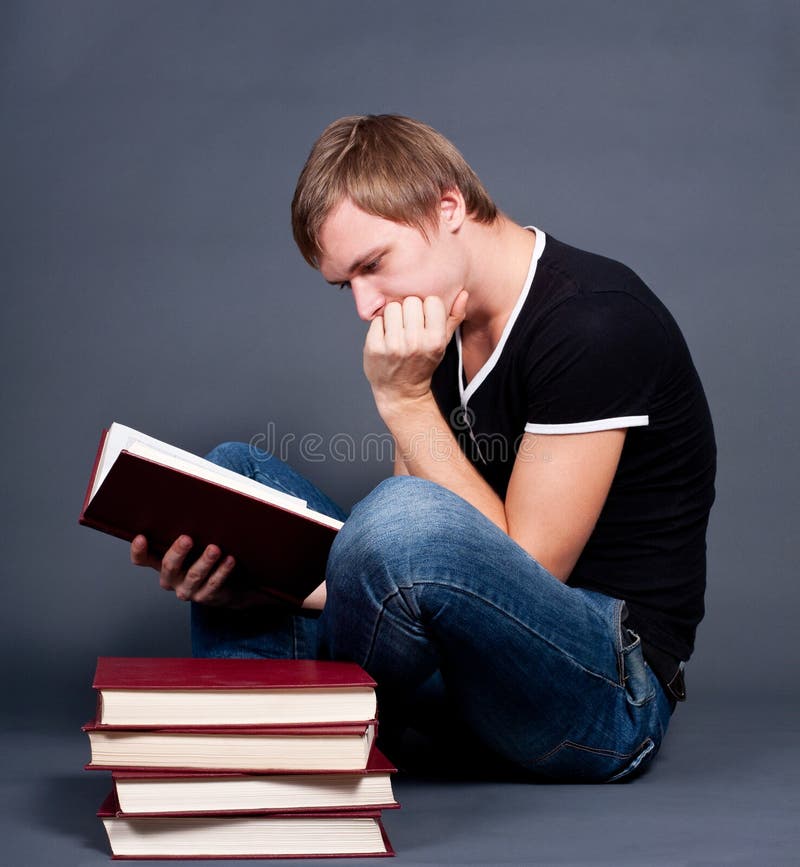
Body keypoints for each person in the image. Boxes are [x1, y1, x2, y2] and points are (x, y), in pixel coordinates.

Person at [131, 115, 716, 782]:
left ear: (449, 205)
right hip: (472, 672)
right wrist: (263, 585)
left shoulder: (596, 322)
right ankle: (266, 751)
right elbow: (421, 578)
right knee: (236, 481)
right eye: (344, 284)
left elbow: (519, 566)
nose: (364, 305)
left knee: (401, 516)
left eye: (373, 265)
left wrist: (402, 400)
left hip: (605, 690)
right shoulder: (435, 320)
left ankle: (302, 728)